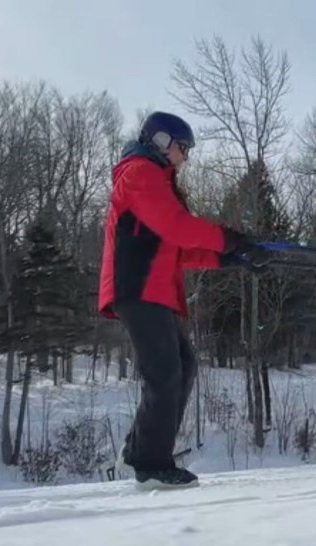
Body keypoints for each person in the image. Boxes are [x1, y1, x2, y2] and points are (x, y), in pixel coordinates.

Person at [98, 111, 272, 489]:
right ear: (161, 142)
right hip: (138, 288)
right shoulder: (140, 174)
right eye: (183, 148)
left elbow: (177, 248)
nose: (186, 157)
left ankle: (140, 452)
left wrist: (229, 258)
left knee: (183, 366)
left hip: (154, 289)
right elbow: (178, 227)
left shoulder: (157, 181)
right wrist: (232, 239)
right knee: (164, 374)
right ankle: (151, 463)